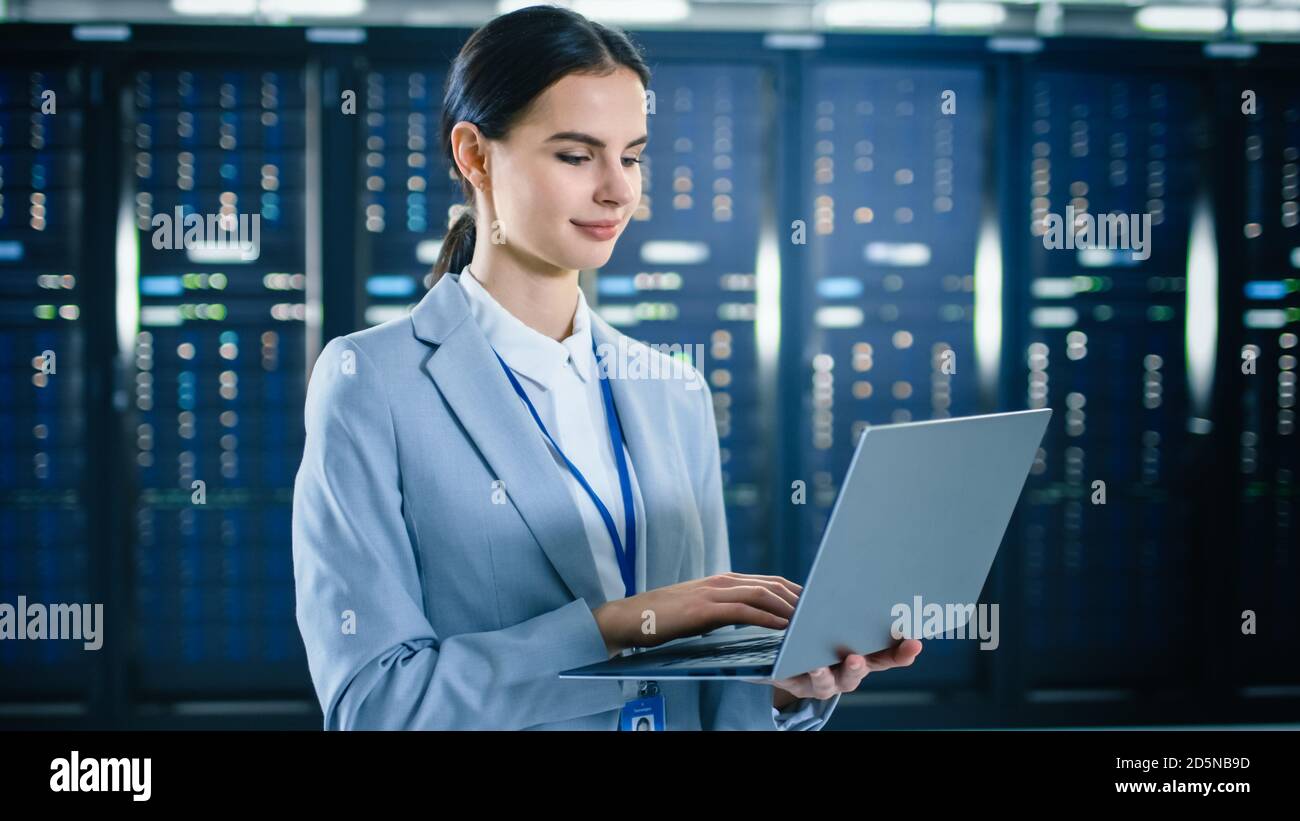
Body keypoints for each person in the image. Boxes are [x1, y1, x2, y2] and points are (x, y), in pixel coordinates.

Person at [291, 5, 921, 731]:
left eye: (631, 155)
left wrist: (783, 688)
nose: (619, 190)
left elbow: (707, 677)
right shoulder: (373, 383)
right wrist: (620, 624)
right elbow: (376, 705)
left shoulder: (673, 389)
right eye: (575, 154)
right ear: (475, 154)